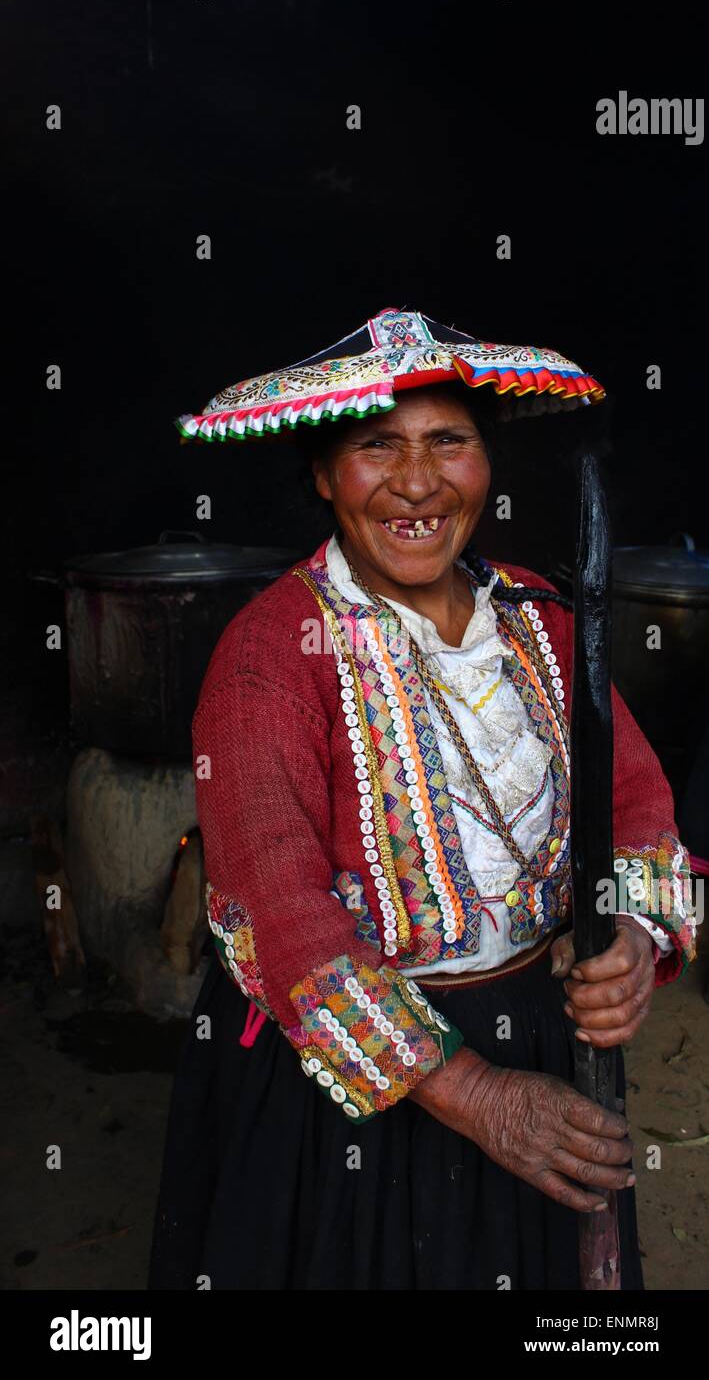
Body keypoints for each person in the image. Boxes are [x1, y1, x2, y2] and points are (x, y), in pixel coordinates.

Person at [149, 308, 695, 1290]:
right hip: (353, 1096)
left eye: (450, 442)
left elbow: (642, 802)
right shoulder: (271, 655)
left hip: (545, 1052)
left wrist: (637, 936)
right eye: (376, 448)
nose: (417, 481)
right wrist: (478, 1095)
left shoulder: (540, 616)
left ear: (485, 463)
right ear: (321, 475)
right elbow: (277, 916)